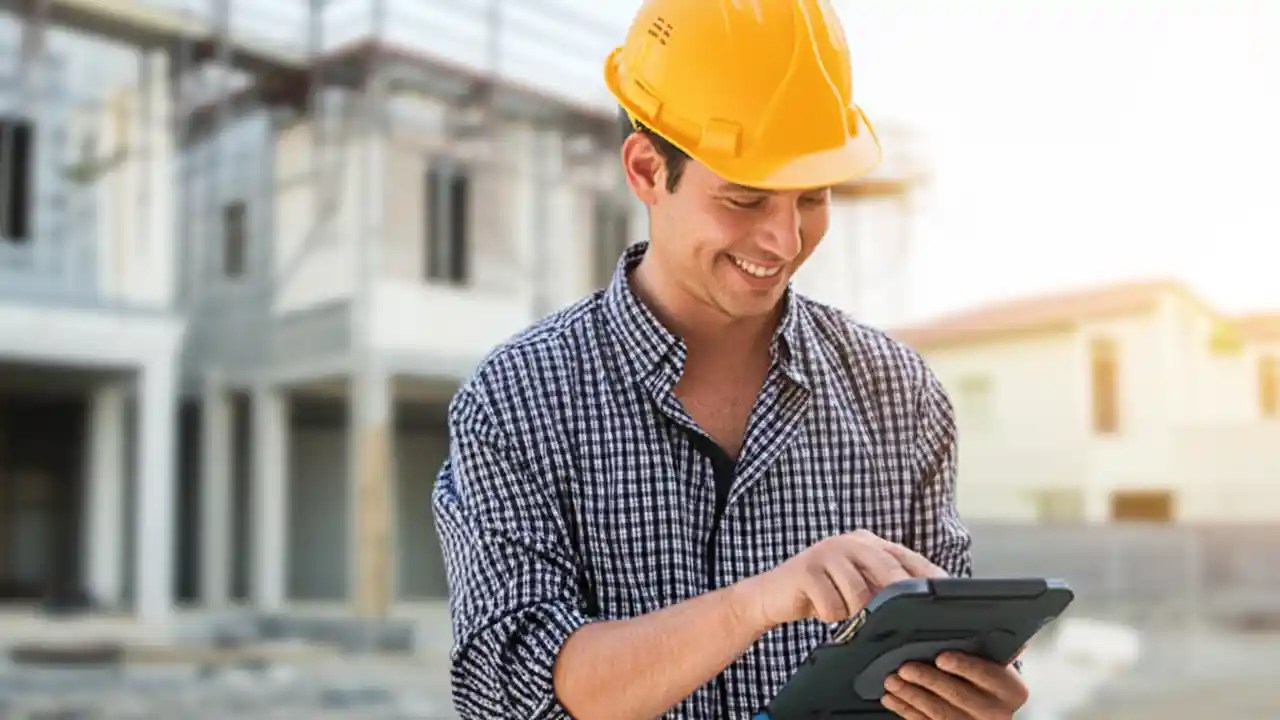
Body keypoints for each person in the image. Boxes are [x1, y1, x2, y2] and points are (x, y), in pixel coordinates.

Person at [432, 1, 1030, 718]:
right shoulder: (517, 400)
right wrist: (758, 603)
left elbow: (946, 651)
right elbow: (508, 690)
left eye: (812, 197)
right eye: (746, 200)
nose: (785, 240)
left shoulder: (898, 395)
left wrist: (974, 696)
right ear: (647, 170)